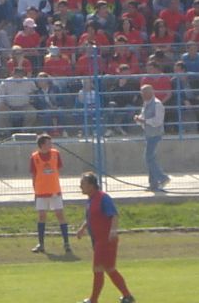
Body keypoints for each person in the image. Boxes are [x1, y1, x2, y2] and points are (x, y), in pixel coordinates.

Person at [76, 172, 135, 303]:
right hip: (99, 240)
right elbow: (92, 217)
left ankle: (93, 300)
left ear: (91, 185)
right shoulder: (91, 199)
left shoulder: (103, 198)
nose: (80, 186)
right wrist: (83, 228)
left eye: (83, 184)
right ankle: (127, 296)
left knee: (98, 269)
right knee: (109, 269)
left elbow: (114, 214)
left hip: (105, 240)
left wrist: (113, 230)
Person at [29, 133, 71, 254]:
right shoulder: (34, 157)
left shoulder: (55, 154)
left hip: (54, 191)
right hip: (41, 192)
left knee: (60, 215)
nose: (50, 145)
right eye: (48, 143)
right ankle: (41, 244)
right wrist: (35, 190)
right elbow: (34, 175)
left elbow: (58, 169)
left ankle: (66, 243)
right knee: (42, 216)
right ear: (42, 145)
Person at [133, 84, 167, 191]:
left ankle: (162, 178)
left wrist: (143, 121)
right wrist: (139, 119)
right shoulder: (146, 103)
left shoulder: (157, 104)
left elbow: (158, 121)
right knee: (151, 158)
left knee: (148, 157)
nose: (142, 95)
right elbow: (144, 116)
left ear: (150, 92)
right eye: (141, 93)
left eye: (144, 93)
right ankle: (153, 184)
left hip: (155, 134)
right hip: (148, 134)